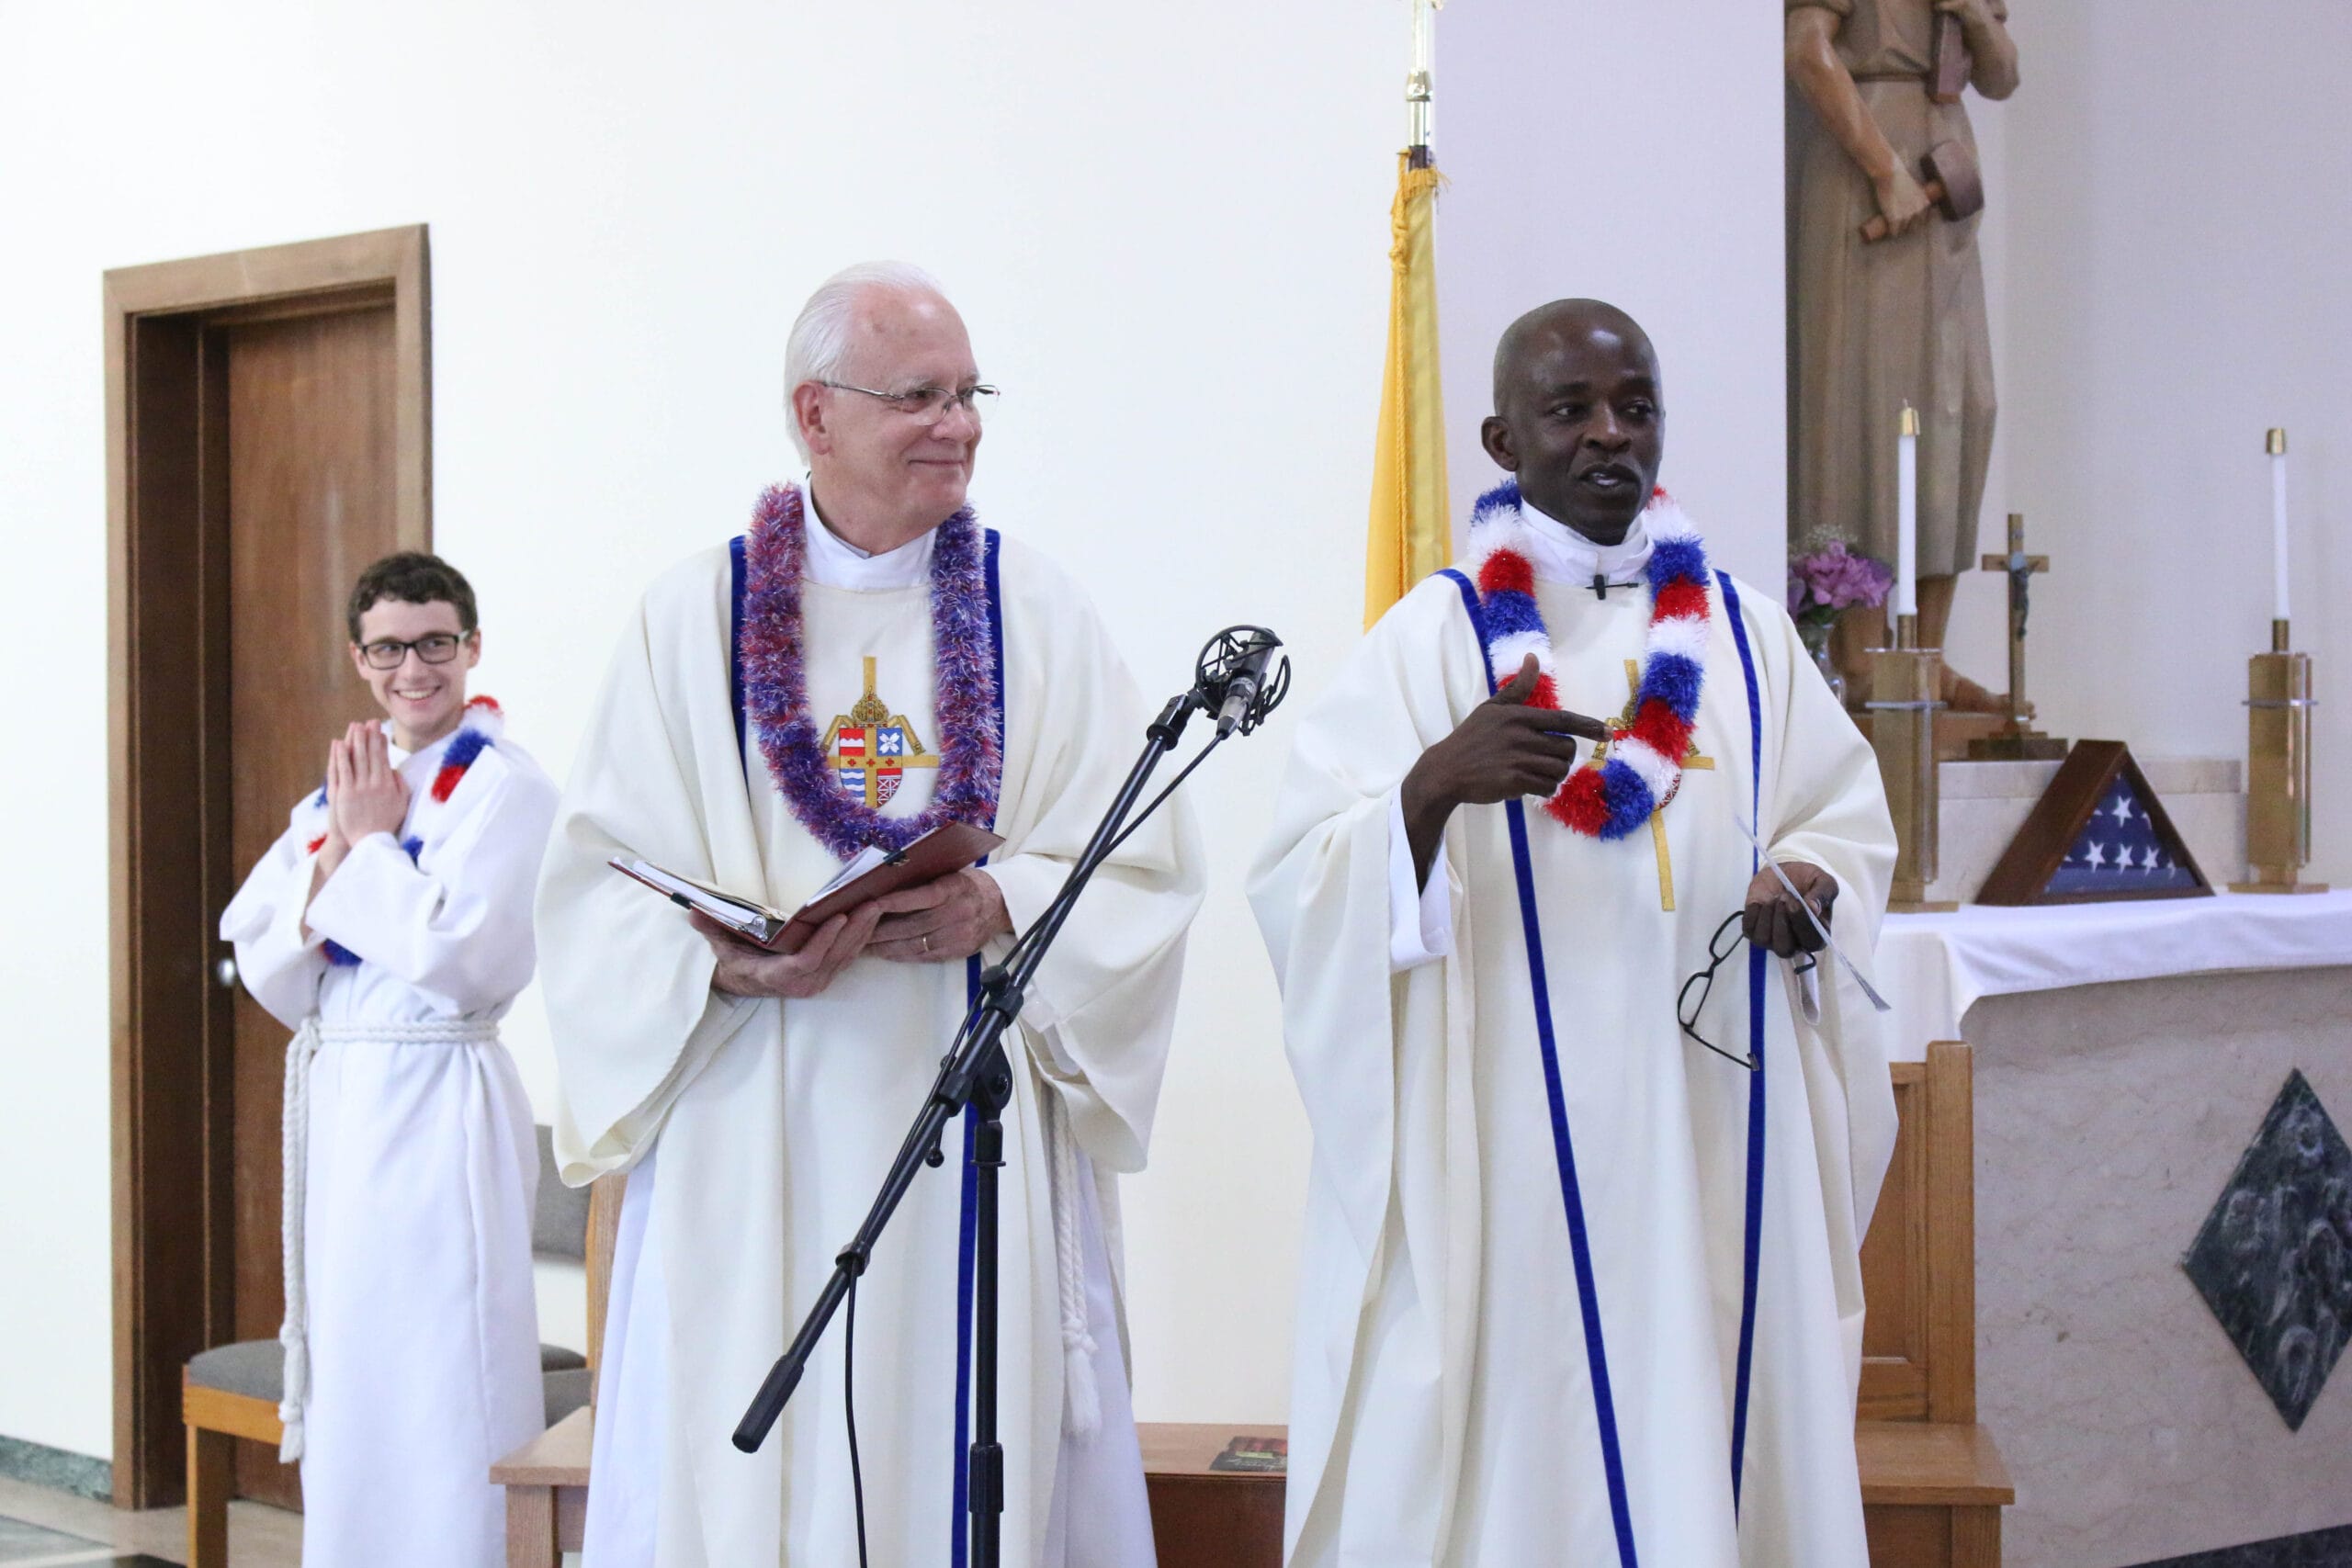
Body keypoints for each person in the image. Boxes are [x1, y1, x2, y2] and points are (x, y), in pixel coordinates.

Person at [537, 261, 1203, 1568]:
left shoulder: (1034, 609)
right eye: (918, 396)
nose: (957, 424)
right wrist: (721, 967)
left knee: (956, 1442)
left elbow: (1144, 863)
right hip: (751, 1133)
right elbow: (593, 884)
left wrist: (1003, 897)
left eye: (969, 395)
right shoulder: (695, 617)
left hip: (970, 1118)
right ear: (815, 412)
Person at [1250, 300, 1899, 1566]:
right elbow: (1298, 877)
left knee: (1721, 1388)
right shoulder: (1435, 640)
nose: (1611, 435)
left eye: (1635, 407)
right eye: (1571, 411)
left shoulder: (1746, 636)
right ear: (1504, 439)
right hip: (1515, 1138)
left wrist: (1815, 877)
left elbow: (1841, 820)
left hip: (1717, 1105)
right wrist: (1429, 788)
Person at [220, 552, 556, 1568]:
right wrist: (339, 848)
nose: (415, 669)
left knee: (442, 1359)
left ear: (473, 646)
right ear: (359, 659)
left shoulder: (508, 789)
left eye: (436, 643)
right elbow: (261, 948)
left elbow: (465, 957)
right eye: (390, 649)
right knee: (359, 1362)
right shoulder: (346, 789)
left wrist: (366, 852)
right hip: (349, 1102)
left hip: (441, 1094)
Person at [1786, 0, 2019, 707]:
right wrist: (1883, 167)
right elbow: (1805, 49)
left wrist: (1973, 14)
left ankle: (1927, 654)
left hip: (1944, 165)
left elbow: (2001, 78)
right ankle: (1860, 652)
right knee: (1866, 396)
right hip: (1865, 162)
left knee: (1961, 403)